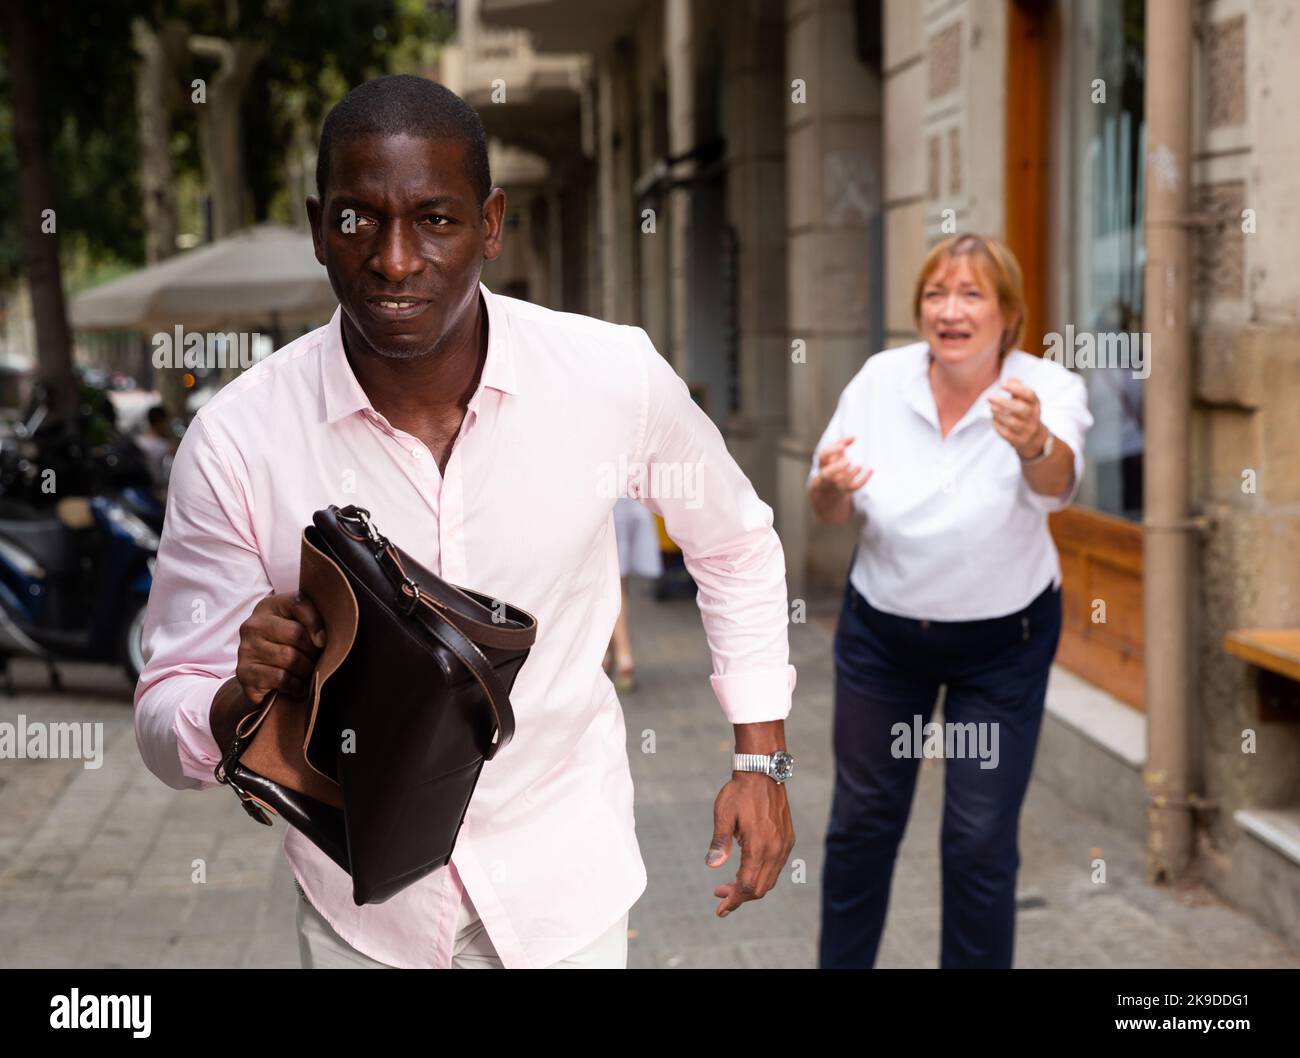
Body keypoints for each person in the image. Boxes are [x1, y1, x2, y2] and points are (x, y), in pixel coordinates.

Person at [133, 75, 797, 970]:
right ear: (317, 225)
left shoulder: (610, 377)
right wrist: (237, 694)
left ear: (490, 223)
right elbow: (163, 708)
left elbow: (734, 539)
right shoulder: (235, 441)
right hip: (360, 924)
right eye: (358, 219)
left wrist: (762, 757)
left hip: (568, 894)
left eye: (435, 220)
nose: (395, 259)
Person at [808, 233, 1093, 969]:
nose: (951, 309)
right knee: (863, 822)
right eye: (936, 293)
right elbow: (828, 508)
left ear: (1008, 313)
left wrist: (1032, 442)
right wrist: (828, 488)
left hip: (1003, 648)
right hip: (884, 640)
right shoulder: (879, 379)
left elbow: (1058, 488)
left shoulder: (1043, 390)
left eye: (971, 294)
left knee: (978, 839)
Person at [604, 495, 665, 692]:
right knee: (618, 580)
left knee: (609, 580)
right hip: (626, 501)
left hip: (605, 507)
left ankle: (623, 654)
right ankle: (611, 654)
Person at [134, 405, 175, 493]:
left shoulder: (139, 440)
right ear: (159, 422)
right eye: (166, 422)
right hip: (155, 489)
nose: (167, 426)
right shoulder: (163, 446)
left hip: (140, 487)